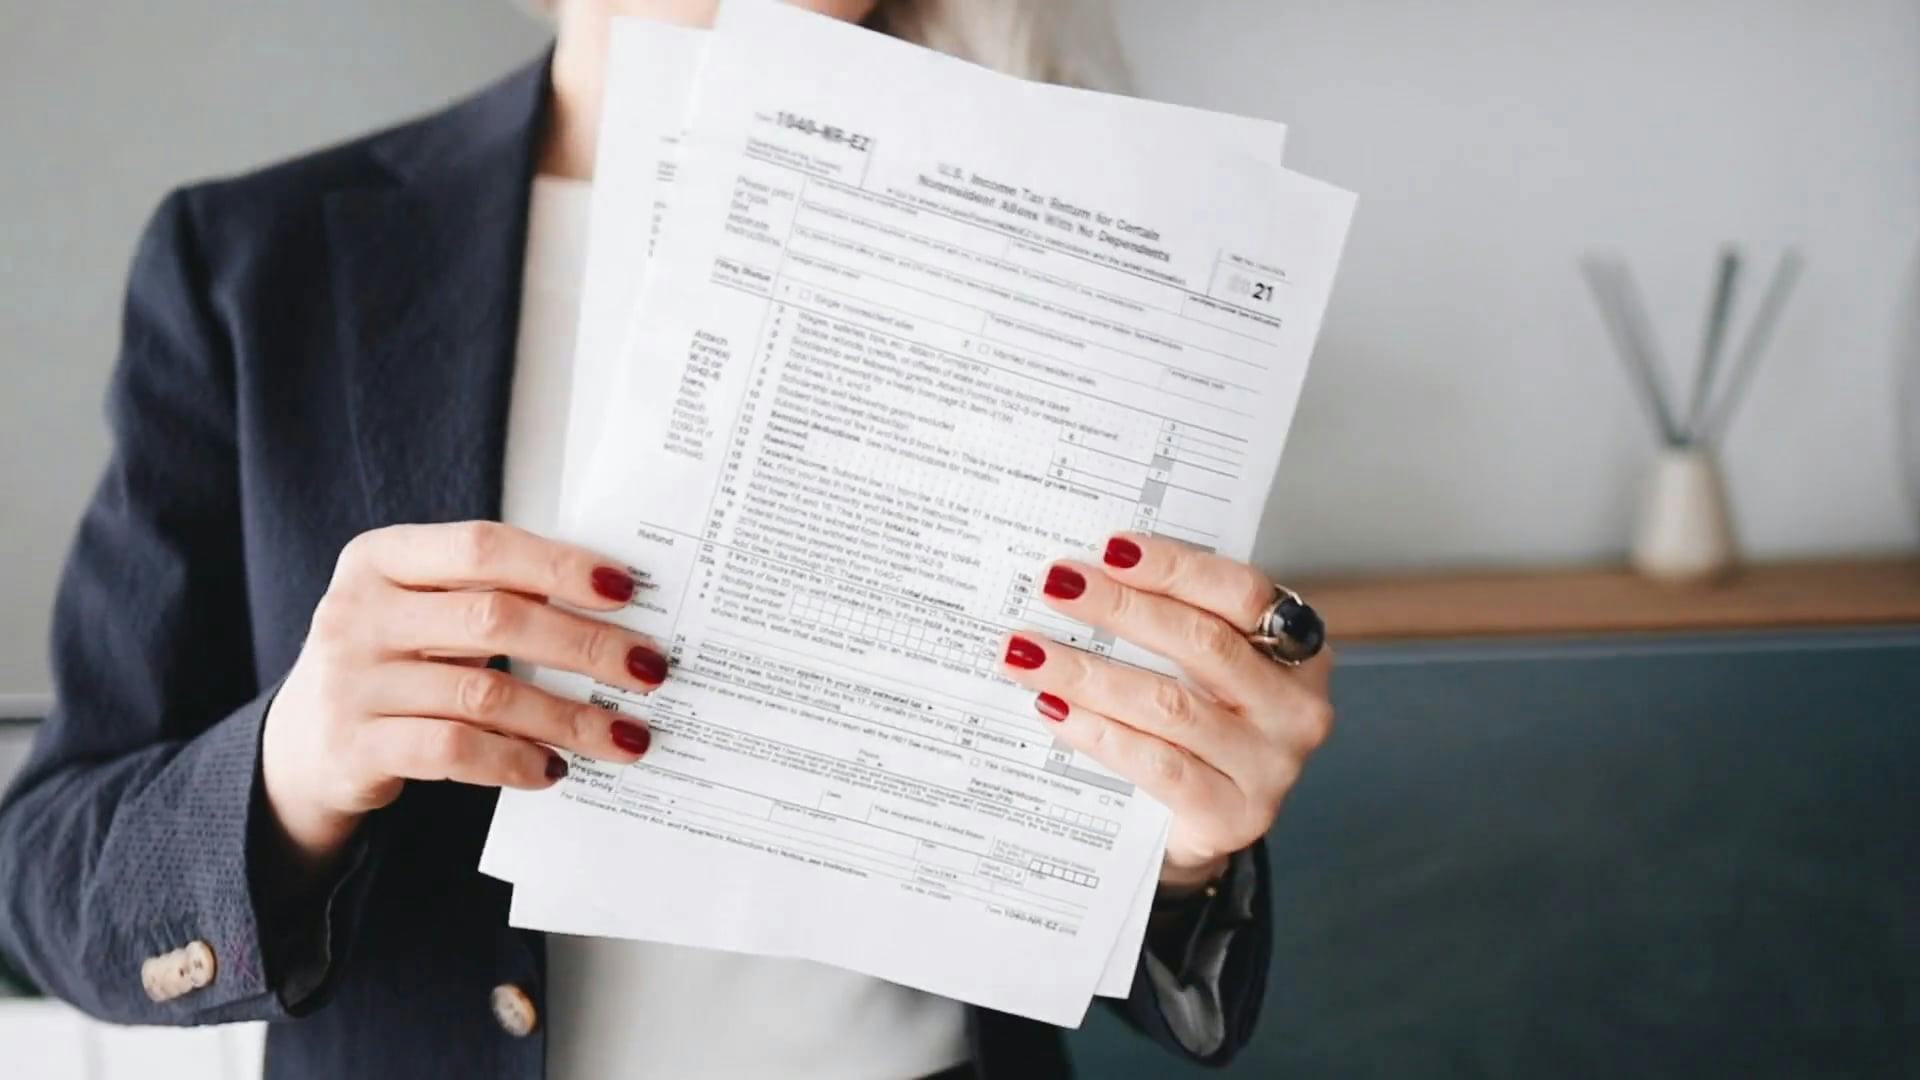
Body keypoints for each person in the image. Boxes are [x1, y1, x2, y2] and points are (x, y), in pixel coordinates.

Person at [0, 1, 1335, 1076]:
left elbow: (1117, 857)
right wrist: (294, 763)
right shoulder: (258, 264)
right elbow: (50, 874)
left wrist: (1183, 849)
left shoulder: (1104, 268)